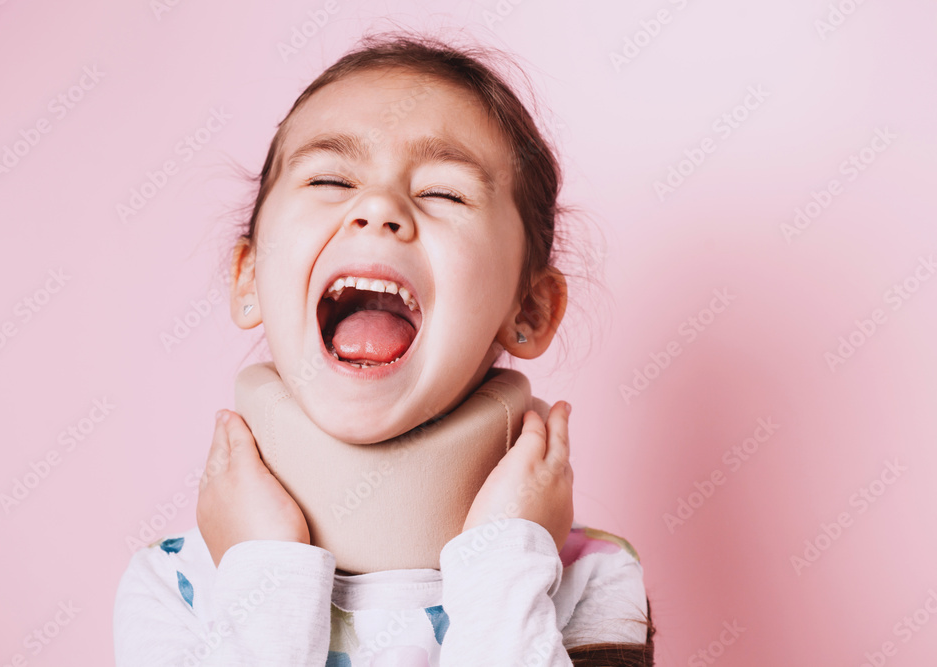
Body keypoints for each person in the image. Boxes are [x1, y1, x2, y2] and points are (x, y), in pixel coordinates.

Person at [114, 30, 655, 666]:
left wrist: (507, 559)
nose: (377, 207)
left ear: (528, 309)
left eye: (443, 192)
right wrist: (265, 576)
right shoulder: (177, 585)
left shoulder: (585, 574)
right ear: (249, 278)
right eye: (329, 179)